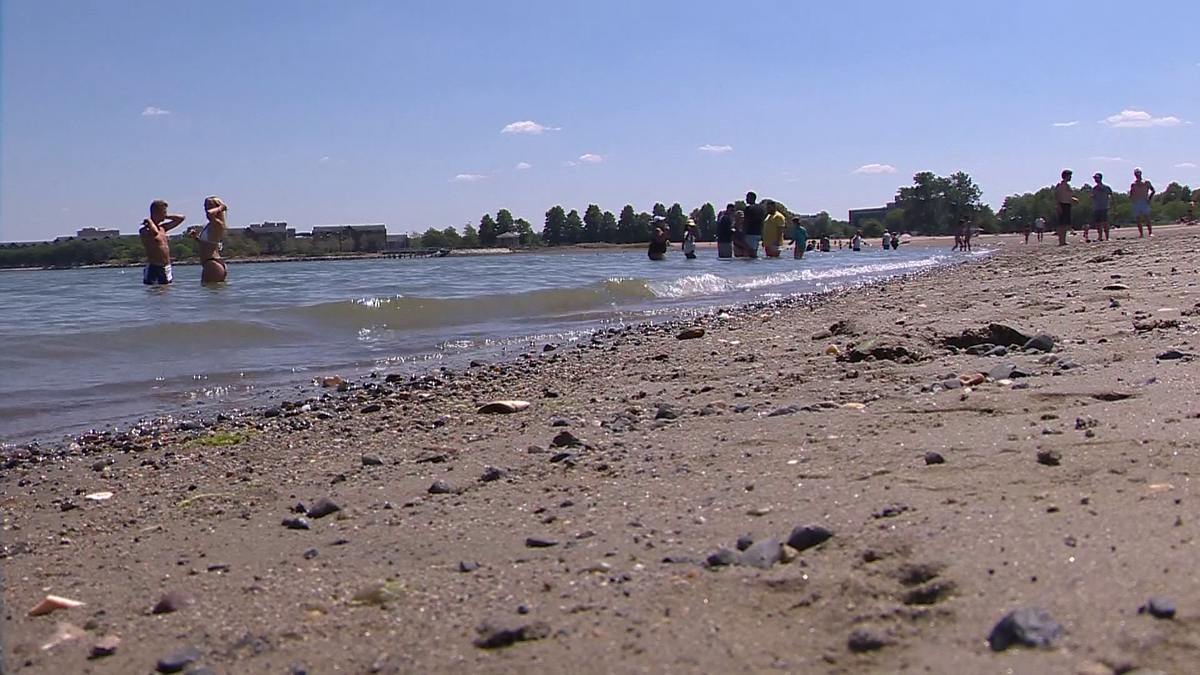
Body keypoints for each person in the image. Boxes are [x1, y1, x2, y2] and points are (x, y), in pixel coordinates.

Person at [139, 200, 186, 285]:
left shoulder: (163, 228)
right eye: (164, 211)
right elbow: (155, 233)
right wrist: (150, 221)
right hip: (154, 267)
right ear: (156, 212)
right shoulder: (145, 230)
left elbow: (181, 218)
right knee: (154, 292)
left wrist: (166, 216)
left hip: (166, 267)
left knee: (166, 292)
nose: (165, 214)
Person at [190, 196, 229, 283]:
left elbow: (210, 213)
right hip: (211, 262)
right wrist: (196, 238)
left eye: (210, 205)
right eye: (205, 206)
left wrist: (221, 207)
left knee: (209, 291)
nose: (207, 208)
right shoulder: (210, 225)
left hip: (212, 263)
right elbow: (207, 244)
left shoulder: (218, 223)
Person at [1054, 169, 1078, 246]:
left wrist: (1073, 199)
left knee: (1066, 224)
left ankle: (1063, 240)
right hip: (1062, 205)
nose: (1071, 177)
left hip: (1067, 205)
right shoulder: (1060, 185)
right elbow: (1057, 196)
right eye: (1070, 176)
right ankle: (1061, 241)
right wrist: (1058, 206)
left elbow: (1067, 195)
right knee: (1062, 224)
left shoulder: (1068, 186)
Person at [1130, 168, 1156, 237]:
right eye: (1136, 173)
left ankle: (1150, 232)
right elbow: (1131, 193)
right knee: (1138, 219)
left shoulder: (1146, 182)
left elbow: (1153, 190)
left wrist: (1149, 199)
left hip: (1144, 201)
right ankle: (1141, 234)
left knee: (1147, 217)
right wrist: (1133, 199)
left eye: (1138, 173)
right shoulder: (1133, 184)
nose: (1137, 175)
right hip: (1136, 202)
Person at [742, 191, 765, 258]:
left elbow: (746, 221)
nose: (746, 199)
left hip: (750, 233)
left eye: (747, 198)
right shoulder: (761, 209)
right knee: (754, 251)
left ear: (751, 198)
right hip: (758, 233)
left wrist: (743, 233)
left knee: (750, 254)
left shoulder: (748, 209)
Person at [1091, 173, 1113, 242]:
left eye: (1097, 178)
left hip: (1104, 207)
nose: (1096, 179)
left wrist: (1113, 206)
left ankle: (1107, 237)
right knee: (1098, 223)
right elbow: (1093, 197)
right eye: (1095, 178)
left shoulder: (1106, 187)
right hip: (1096, 207)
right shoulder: (1094, 189)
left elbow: (1112, 196)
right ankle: (1100, 237)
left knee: (1105, 222)